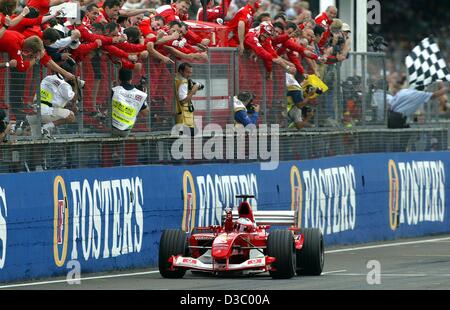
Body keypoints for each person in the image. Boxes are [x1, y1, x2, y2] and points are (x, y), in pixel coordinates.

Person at [26, 61, 78, 139]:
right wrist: (76, 83)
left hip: (33, 113)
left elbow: (53, 98)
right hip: (44, 114)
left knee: (36, 140)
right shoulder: (63, 84)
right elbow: (75, 98)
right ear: (69, 74)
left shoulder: (48, 78)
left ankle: (44, 130)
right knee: (71, 116)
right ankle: (46, 127)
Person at [111, 68, 149, 137]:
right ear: (131, 79)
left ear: (119, 79)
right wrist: (143, 98)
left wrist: (113, 86)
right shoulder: (139, 94)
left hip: (112, 128)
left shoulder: (113, 90)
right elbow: (145, 113)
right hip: (127, 130)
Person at [175, 62, 200, 135]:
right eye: (187, 72)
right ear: (180, 71)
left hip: (179, 120)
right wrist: (193, 90)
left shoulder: (176, 79)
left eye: (190, 72)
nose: (189, 75)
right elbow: (183, 101)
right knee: (195, 132)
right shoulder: (183, 82)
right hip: (183, 122)